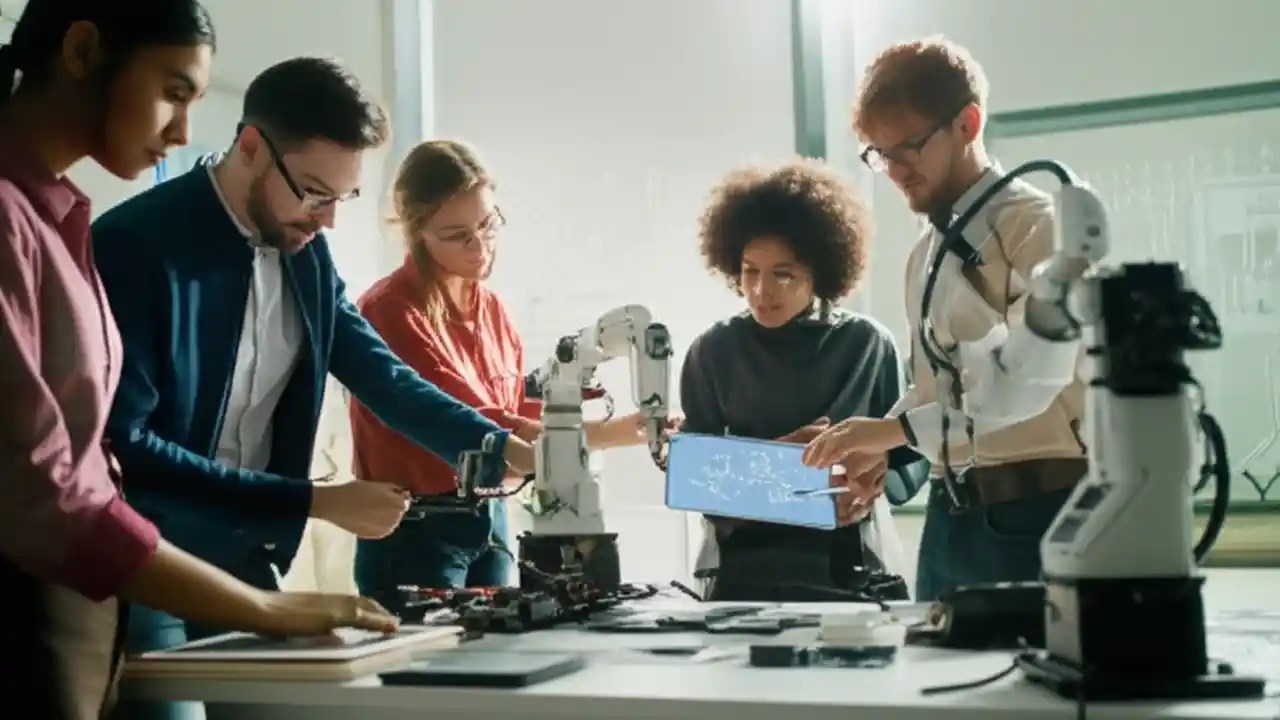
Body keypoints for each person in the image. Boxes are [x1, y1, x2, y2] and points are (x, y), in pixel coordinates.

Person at [0, 3, 398, 719]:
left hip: (104, 593)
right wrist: (267, 604)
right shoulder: (53, 228)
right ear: (84, 49)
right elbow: (53, 491)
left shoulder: (59, 219)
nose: (184, 131)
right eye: (174, 92)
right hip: (51, 605)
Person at [89, 55, 538, 668]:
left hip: (247, 557)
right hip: (152, 563)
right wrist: (313, 500)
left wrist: (505, 446)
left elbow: (385, 378)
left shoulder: (307, 255)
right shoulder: (135, 246)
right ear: (250, 147)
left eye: (343, 197)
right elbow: (129, 447)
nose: (327, 219)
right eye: (314, 193)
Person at [802, 36, 1088, 602]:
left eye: (907, 148)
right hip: (949, 517)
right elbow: (939, 386)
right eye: (879, 155)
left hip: (1037, 513)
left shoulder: (1039, 227)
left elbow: (1024, 388)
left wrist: (891, 432)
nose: (894, 171)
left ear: (968, 123)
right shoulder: (923, 251)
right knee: (930, 682)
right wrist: (881, 443)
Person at [349, 139, 665, 605]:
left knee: (495, 663)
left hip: (491, 519)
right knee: (429, 672)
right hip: (416, 530)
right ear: (416, 231)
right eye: (458, 235)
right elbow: (473, 420)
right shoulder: (389, 312)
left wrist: (616, 426)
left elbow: (513, 406)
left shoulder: (493, 309)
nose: (480, 247)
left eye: (487, 224)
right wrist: (606, 435)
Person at [679, 158, 924, 602]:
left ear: (820, 271)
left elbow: (912, 464)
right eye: (750, 271)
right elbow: (693, 481)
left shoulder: (868, 345)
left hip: (847, 571)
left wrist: (875, 469)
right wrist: (784, 467)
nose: (760, 290)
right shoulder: (712, 352)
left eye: (782, 274)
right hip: (745, 575)